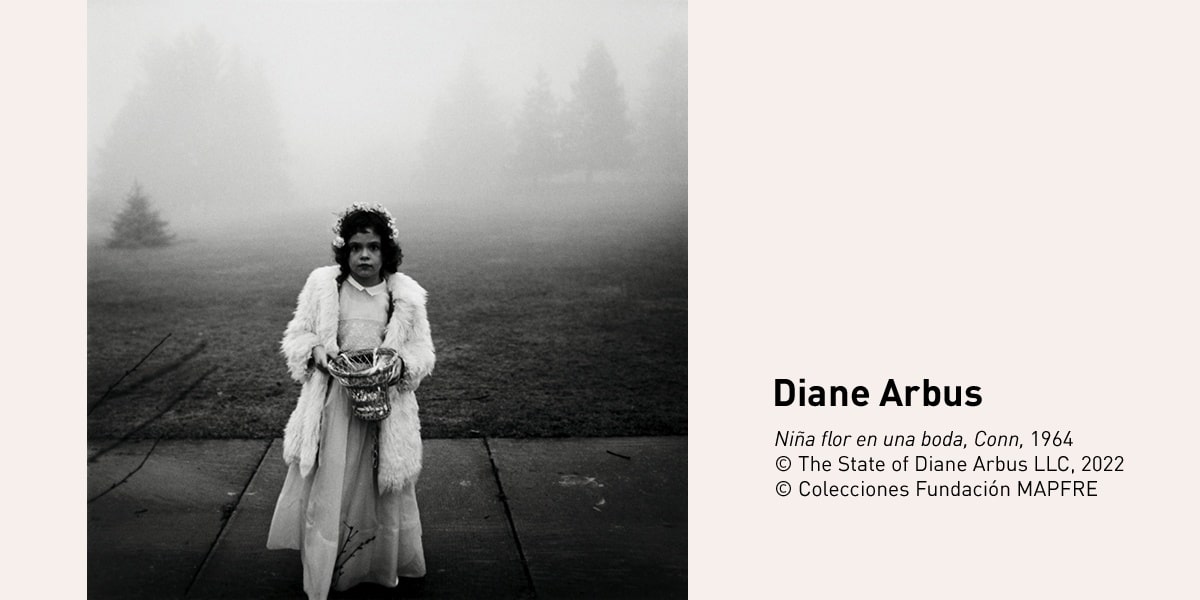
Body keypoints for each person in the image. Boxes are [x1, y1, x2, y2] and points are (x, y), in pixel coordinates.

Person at [267, 202, 435, 600]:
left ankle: (374, 566)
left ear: (386, 251)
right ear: (344, 251)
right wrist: (317, 353)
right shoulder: (324, 287)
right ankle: (329, 569)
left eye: (373, 247)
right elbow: (298, 335)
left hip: (384, 411)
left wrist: (397, 366)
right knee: (333, 484)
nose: (364, 255)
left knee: (379, 489)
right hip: (334, 408)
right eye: (356, 247)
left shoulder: (404, 296)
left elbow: (422, 351)